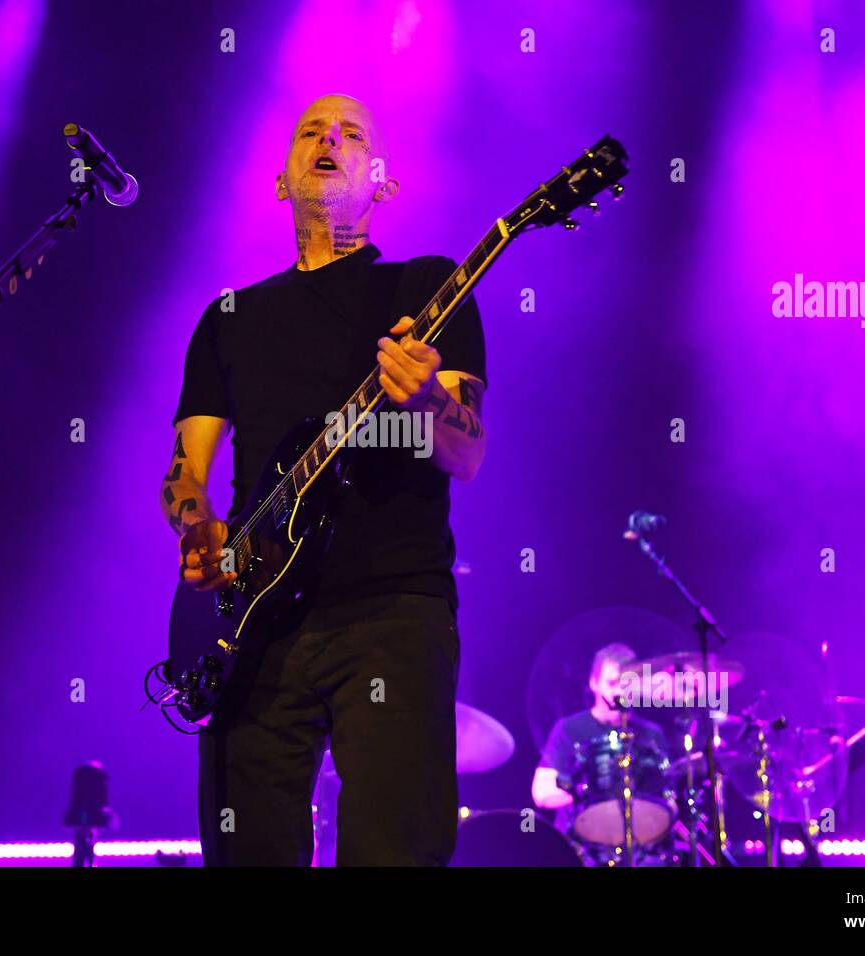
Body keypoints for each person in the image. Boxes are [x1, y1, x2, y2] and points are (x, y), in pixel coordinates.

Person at [163, 94, 488, 866]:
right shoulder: (228, 317)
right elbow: (184, 471)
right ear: (282, 180)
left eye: (352, 134)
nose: (330, 139)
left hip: (390, 606)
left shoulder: (427, 290)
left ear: (382, 181)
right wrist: (194, 525)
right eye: (312, 131)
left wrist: (432, 398)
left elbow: (467, 454)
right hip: (252, 623)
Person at [532, 642, 670, 837]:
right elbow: (541, 791)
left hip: (639, 842)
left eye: (626, 684)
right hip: (581, 845)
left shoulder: (652, 734)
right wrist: (588, 796)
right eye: (612, 683)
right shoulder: (568, 729)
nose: (619, 692)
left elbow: (668, 799)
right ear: (593, 683)